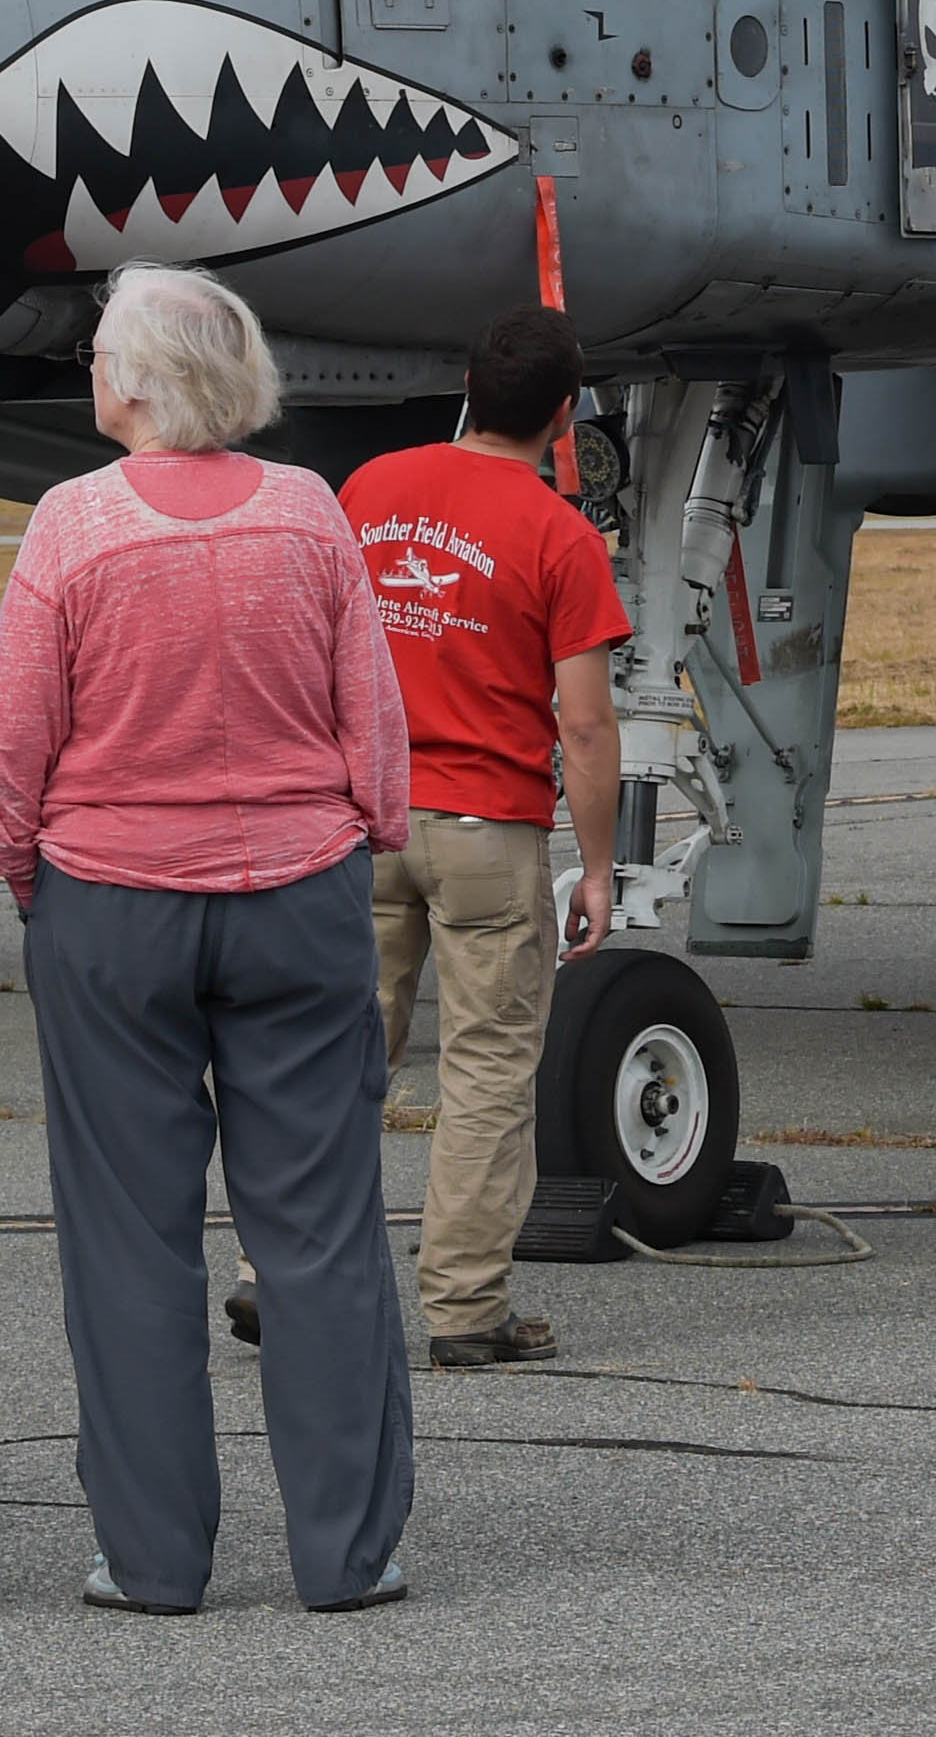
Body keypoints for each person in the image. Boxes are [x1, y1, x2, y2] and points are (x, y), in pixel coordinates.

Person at [0, 266, 415, 1614]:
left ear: (142, 379)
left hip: (112, 896)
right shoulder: (309, 514)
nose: (92, 374)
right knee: (322, 1230)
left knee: (129, 1236)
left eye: (104, 354)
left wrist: (24, 870)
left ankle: (155, 1554)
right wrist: (365, 832)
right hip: (298, 890)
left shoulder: (72, 525)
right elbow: (374, 721)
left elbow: (14, 740)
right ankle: (347, 1549)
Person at [335, 306, 630, 1367]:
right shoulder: (559, 531)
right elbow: (586, 720)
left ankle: (279, 1275)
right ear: (562, 413)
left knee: (334, 1059)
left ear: (465, 381)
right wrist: (595, 864)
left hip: (360, 817)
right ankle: (463, 1306)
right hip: (486, 829)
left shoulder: (370, 488)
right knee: (487, 1072)